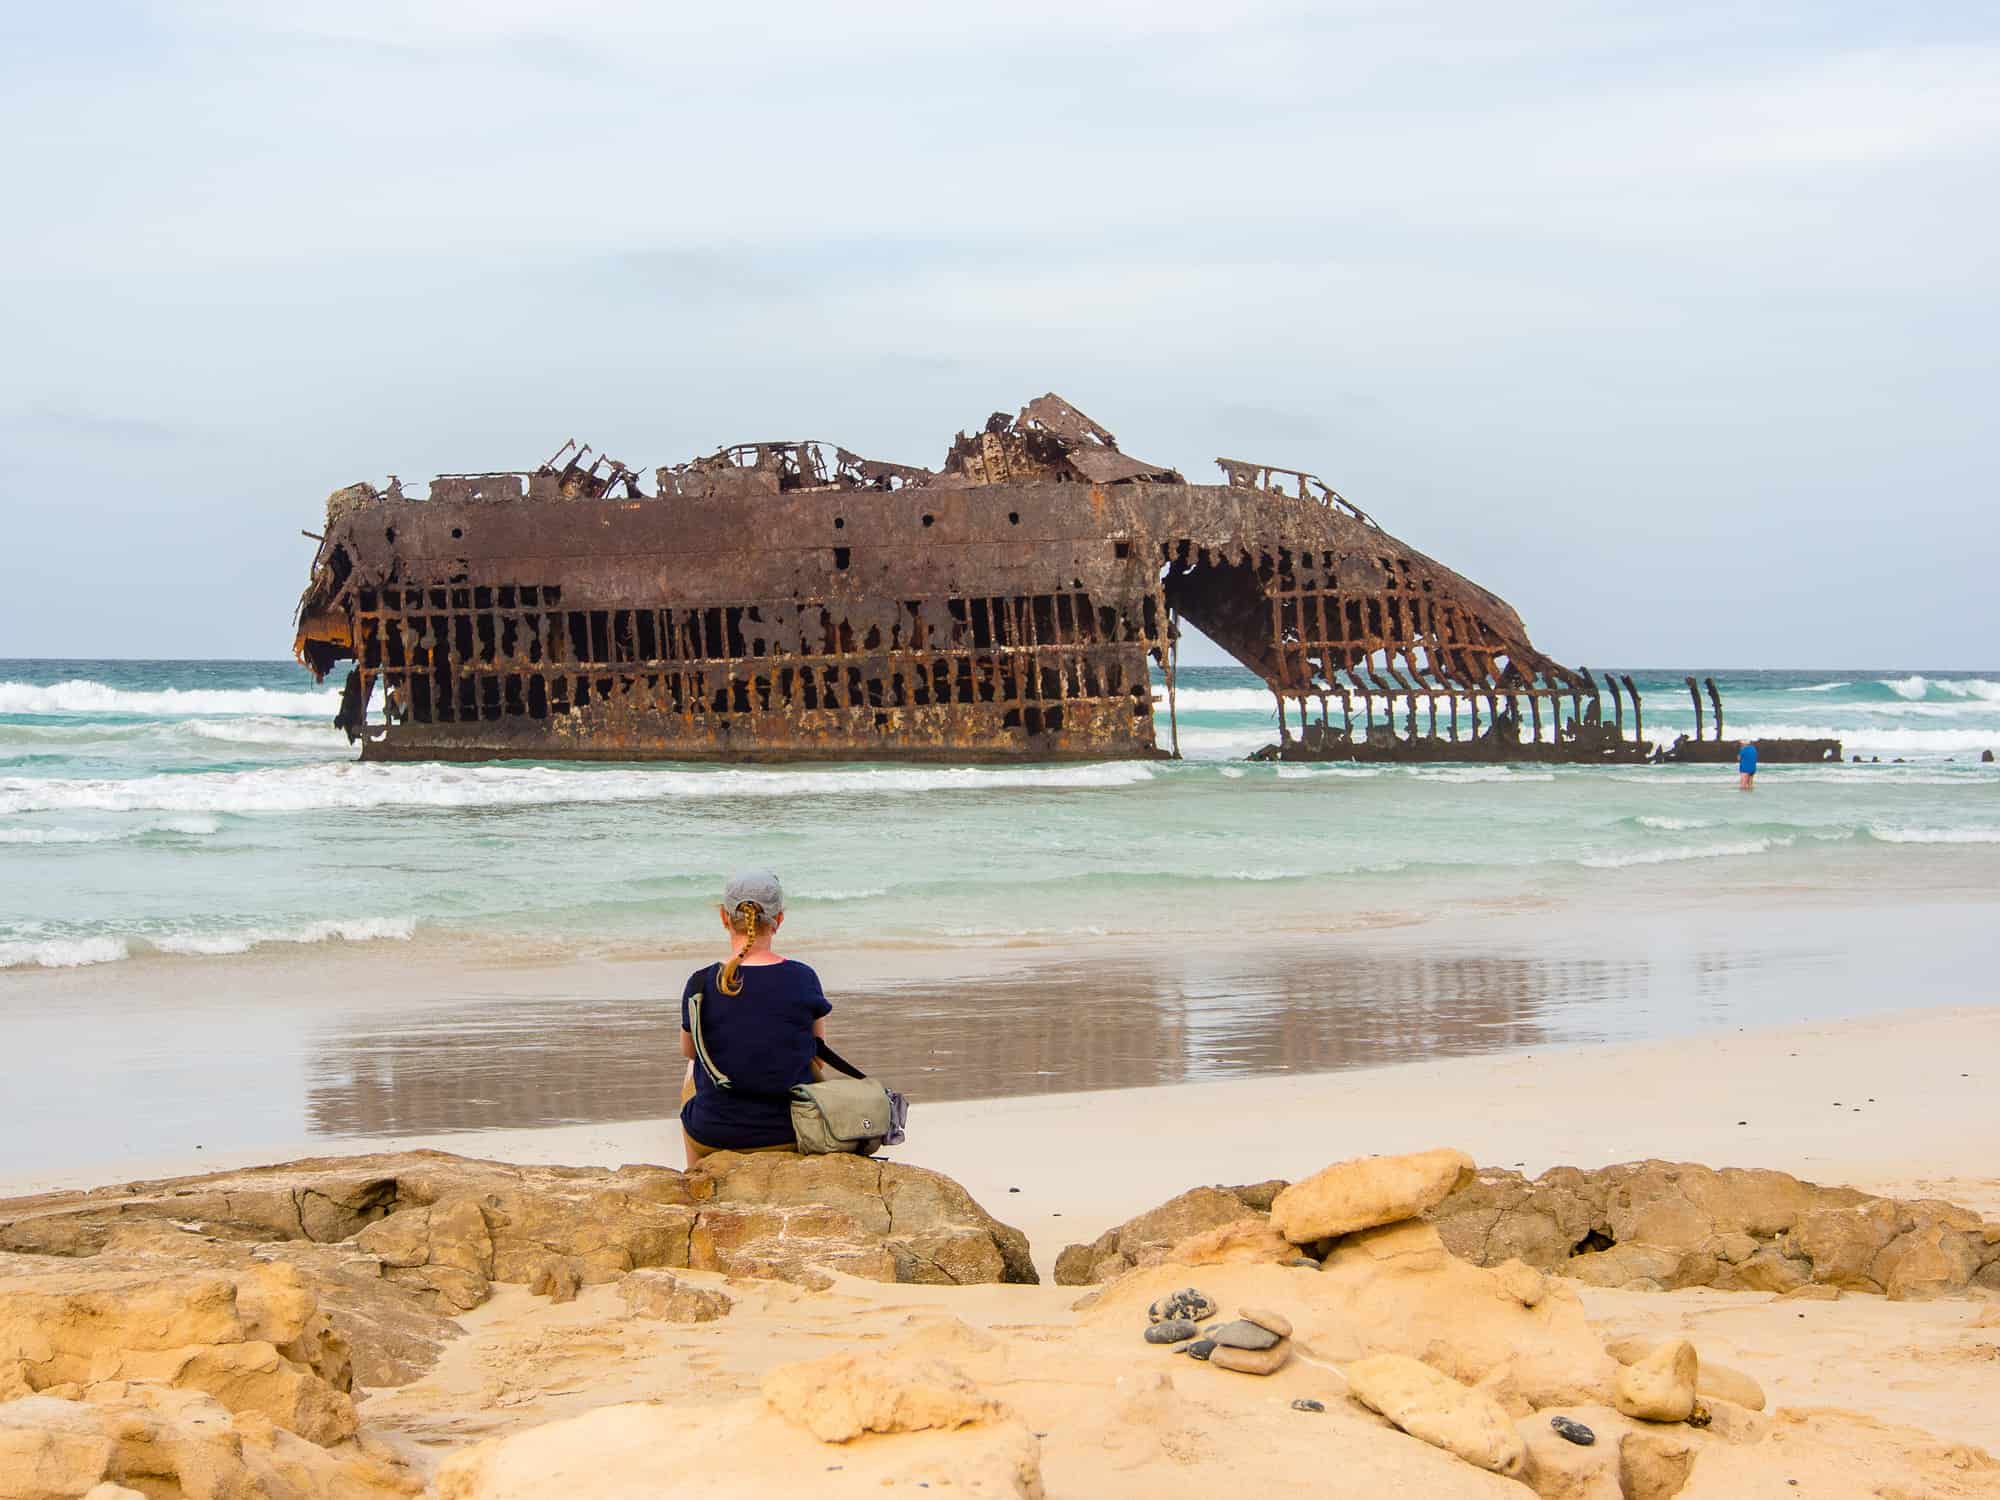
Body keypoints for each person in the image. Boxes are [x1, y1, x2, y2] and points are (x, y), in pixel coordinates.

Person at [678, 870, 831, 1168]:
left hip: (714, 1133)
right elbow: (818, 1057)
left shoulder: (700, 982)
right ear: (779, 920)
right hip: (791, 1130)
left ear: (724, 918)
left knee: (692, 1066)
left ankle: (696, 1173)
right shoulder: (803, 977)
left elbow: (689, 1051)